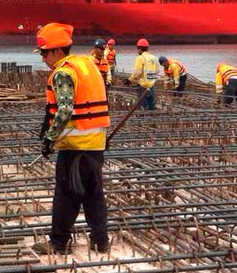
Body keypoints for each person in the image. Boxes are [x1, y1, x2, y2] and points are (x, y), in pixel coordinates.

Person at [30, 23, 110, 255]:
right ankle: (100, 241)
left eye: (45, 53)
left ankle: (58, 243)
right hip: (95, 144)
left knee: (66, 196)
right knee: (94, 195)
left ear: (57, 51)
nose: (43, 58)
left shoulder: (64, 73)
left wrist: (49, 139)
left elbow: (65, 110)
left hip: (75, 148)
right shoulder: (86, 65)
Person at [127, 38, 160, 110]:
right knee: (151, 106)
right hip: (152, 85)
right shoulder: (154, 58)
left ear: (140, 48)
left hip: (143, 86)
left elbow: (137, 72)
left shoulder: (140, 58)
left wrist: (129, 80)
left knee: (143, 107)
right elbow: (158, 70)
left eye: (137, 48)